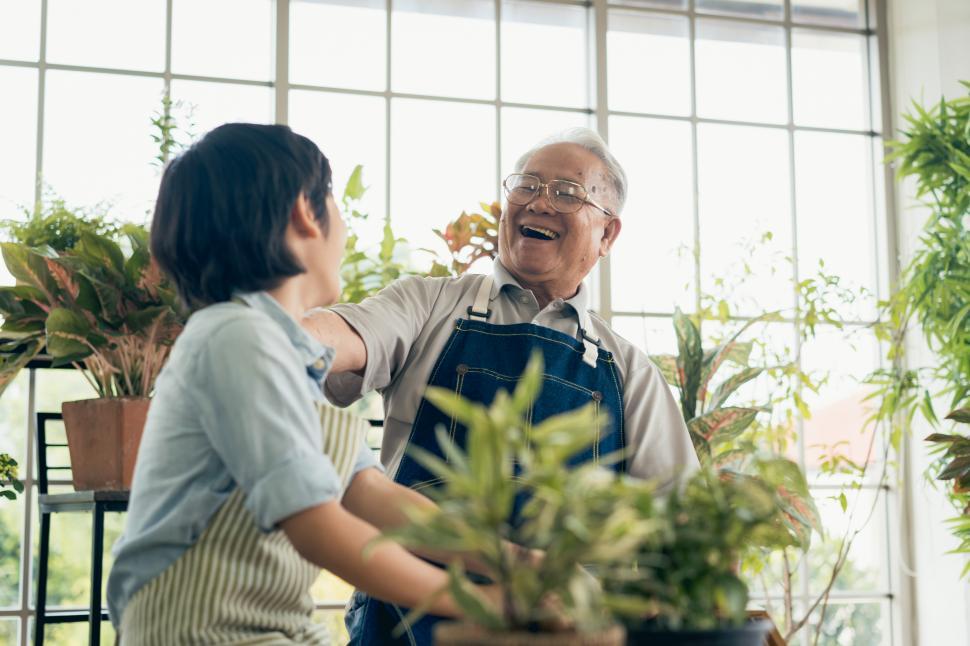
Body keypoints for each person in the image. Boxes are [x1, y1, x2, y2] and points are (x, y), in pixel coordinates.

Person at [302, 127, 700, 645]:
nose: (538, 202)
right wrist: (285, 336)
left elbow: (685, 525)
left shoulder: (628, 370)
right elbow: (348, 333)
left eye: (566, 193)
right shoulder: (429, 304)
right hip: (404, 620)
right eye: (526, 185)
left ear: (607, 234)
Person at [106, 123, 499, 644]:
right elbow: (318, 527)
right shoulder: (235, 338)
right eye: (333, 201)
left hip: (270, 626)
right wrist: (474, 601)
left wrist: (506, 559)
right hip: (199, 628)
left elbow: (371, 492)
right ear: (303, 212)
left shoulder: (286, 354)